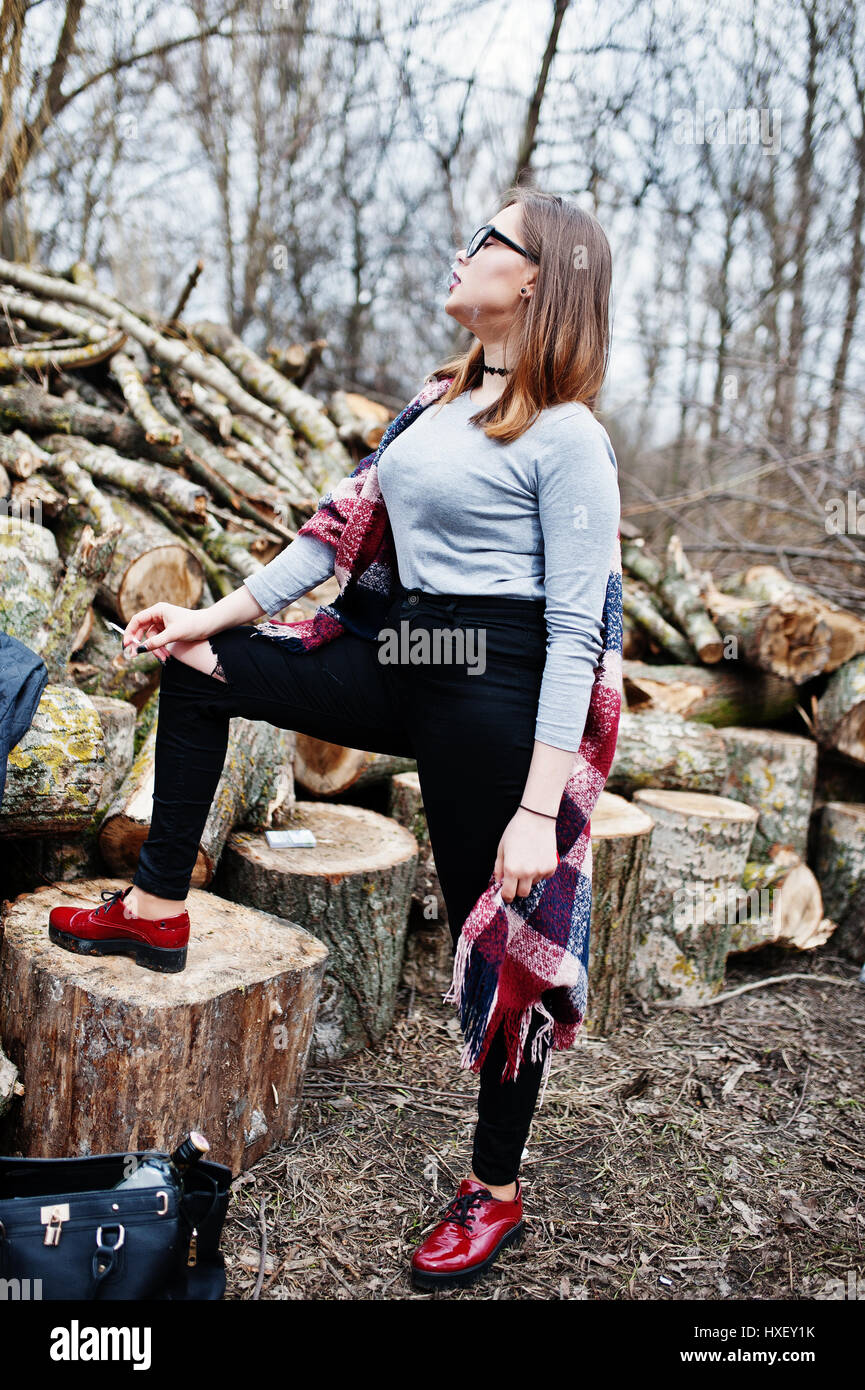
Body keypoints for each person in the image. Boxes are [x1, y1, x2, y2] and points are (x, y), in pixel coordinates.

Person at [47, 185, 621, 1292]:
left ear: (538, 276)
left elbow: (575, 630)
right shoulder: (440, 398)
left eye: (487, 239)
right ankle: (158, 907)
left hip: (497, 681)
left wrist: (539, 806)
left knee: (499, 945)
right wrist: (212, 616)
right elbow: (336, 530)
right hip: (416, 648)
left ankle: (495, 1187)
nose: (463, 251)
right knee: (200, 676)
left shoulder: (569, 438)